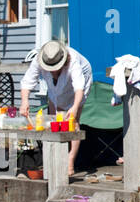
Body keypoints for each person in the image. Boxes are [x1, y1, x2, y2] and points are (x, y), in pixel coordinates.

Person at [20, 40, 93, 174]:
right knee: (54, 120)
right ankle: (54, 159)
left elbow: (79, 88)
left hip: (78, 84)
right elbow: (27, 81)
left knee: (73, 121)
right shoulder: (39, 59)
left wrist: (75, 107)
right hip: (54, 88)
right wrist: (25, 101)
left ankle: (70, 162)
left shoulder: (74, 62)